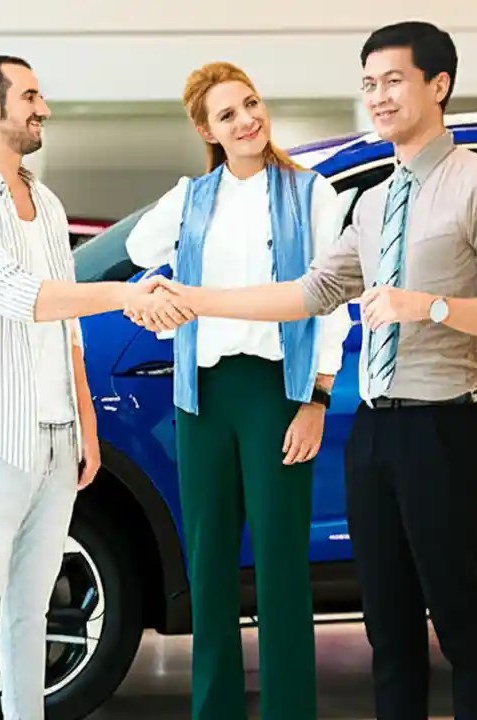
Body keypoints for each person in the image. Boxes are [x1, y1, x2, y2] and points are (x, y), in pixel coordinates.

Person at [130, 21, 477, 720]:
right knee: (387, 627)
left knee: (461, 619)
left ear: (437, 85)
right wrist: (197, 299)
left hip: (444, 424)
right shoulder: (376, 202)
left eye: (393, 81)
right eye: (368, 84)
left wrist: (431, 307)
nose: (378, 97)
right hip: (375, 432)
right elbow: (309, 292)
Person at [0, 55, 163, 720]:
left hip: (59, 438)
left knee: (33, 610)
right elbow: (16, 294)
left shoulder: (47, 203)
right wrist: (123, 292)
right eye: (29, 96)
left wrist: (86, 421)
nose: (43, 108)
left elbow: (71, 328)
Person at [123, 61, 350, 720]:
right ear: (207, 129)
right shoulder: (194, 196)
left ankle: (288, 711)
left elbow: (333, 303)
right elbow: (140, 248)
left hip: (278, 390)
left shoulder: (312, 193)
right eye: (227, 114)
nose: (247, 119)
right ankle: (213, 709)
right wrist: (179, 215)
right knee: (209, 568)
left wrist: (317, 399)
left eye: (250, 104)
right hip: (202, 396)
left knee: (281, 569)